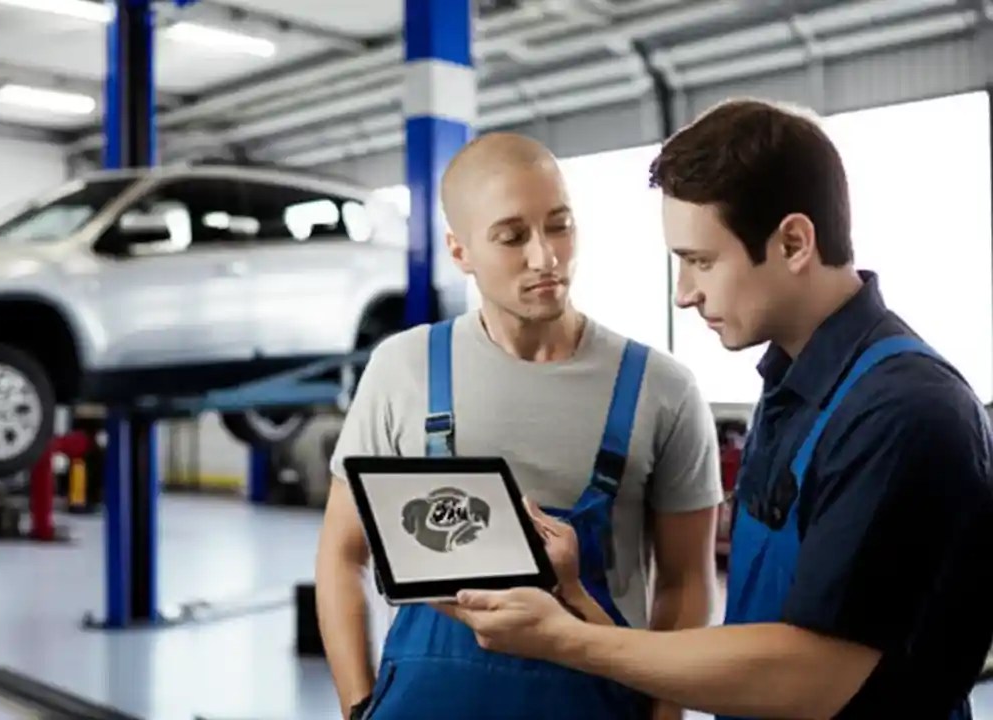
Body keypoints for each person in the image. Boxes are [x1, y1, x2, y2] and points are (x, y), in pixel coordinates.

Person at [438, 99, 993, 719]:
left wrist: (565, 638)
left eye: (701, 261)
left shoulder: (904, 413)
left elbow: (813, 673)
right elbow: (746, 644)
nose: (684, 293)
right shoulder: (796, 389)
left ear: (793, 242)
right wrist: (571, 601)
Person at [314, 131, 725, 720]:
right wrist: (357, 707)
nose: (545, 257)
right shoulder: (401, 371)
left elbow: (686, 583)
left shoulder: (662, 390)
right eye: (511, 237)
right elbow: (341, 555)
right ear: (460, 252)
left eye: (560, 225)